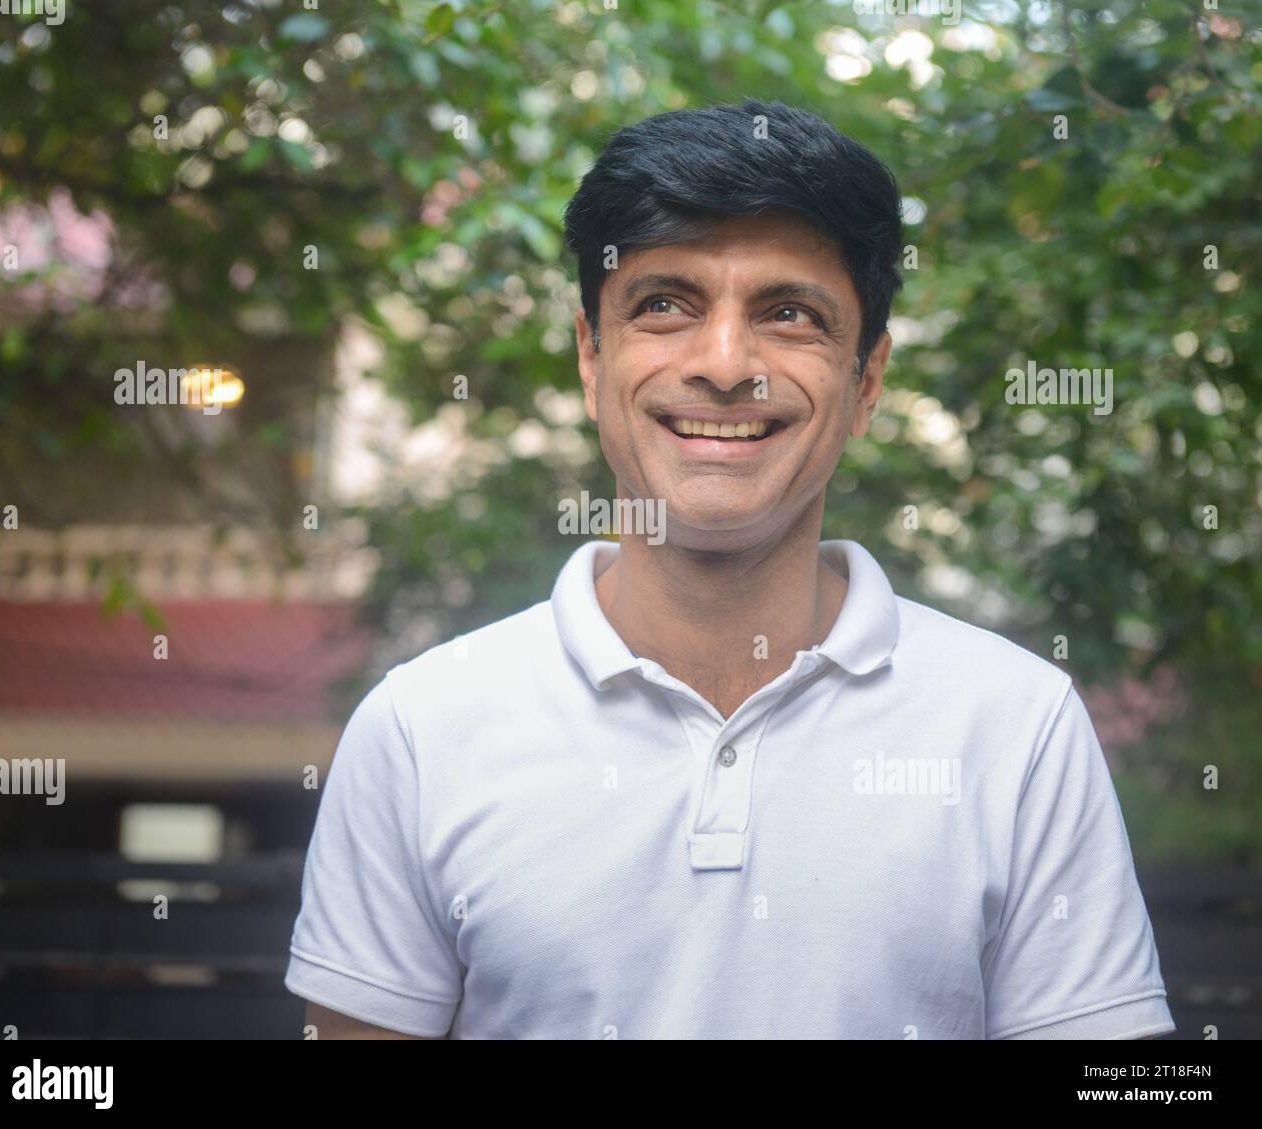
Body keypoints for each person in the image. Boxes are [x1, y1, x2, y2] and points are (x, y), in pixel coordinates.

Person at [284, 98, 1175, 1040]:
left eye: (788, 314)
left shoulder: (1020, 726)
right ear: (591, 357)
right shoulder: (421, 729)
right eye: (664, 304)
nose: (724, 364)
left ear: (866, 381)